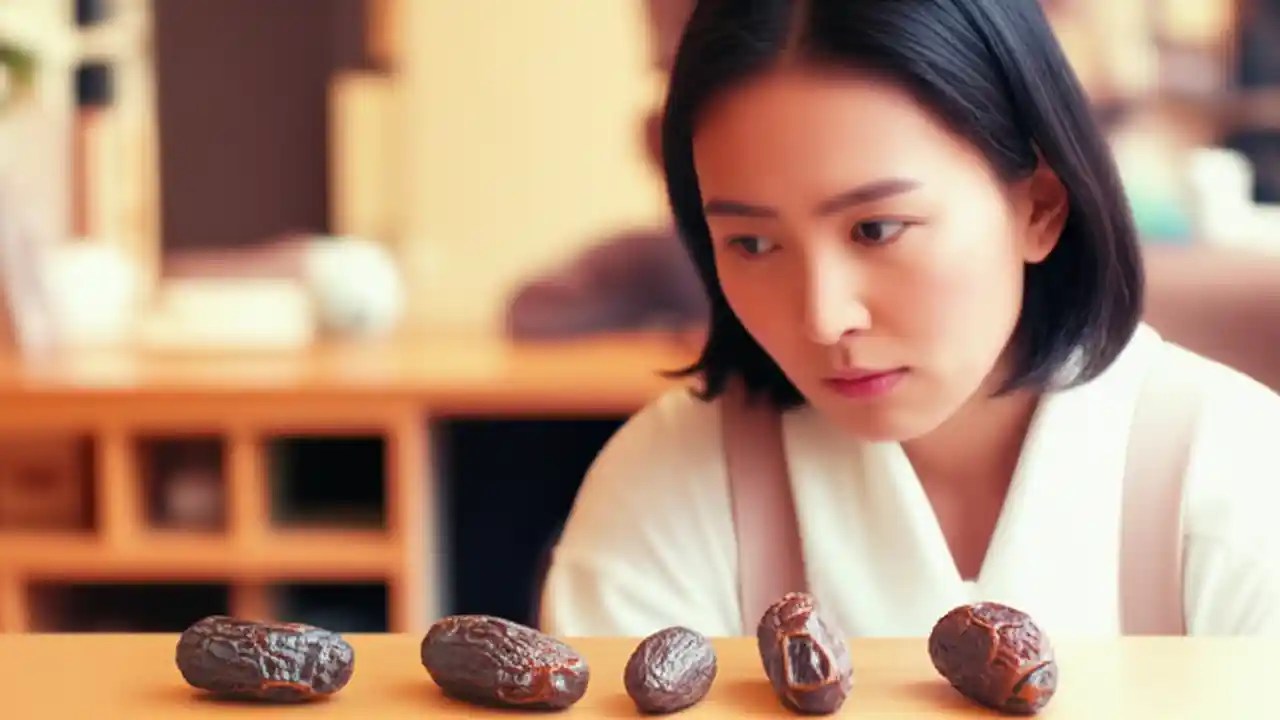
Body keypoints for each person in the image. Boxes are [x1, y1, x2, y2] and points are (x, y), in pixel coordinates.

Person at [538, 0, 1280, 639]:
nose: (823, 317)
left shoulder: (1232, 471)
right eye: (754, 243)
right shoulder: (672, 483)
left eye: (876, 229)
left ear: (1040, 204)